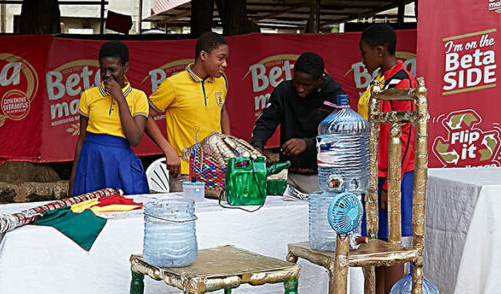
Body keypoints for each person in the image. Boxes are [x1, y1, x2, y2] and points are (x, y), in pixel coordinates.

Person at [357, 23, 415, 294]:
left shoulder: (402, 83)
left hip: (394, 176)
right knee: (376, 243)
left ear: (380, 51)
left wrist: (391, 183)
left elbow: (404, 138)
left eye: (364, 54)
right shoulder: (382, 80)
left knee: (392, 245)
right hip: (376, 173)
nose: (362, 60)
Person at [249, 51, 346, 194]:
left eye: (307, 85)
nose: (300, 89)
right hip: (288, 175)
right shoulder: (284, 91)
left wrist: (307, 144)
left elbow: (340, 139)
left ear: (320, 80)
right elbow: (265, 122)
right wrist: (256, 146)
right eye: (297, 82)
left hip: (322, 177)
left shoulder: (335, 97)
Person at [146, 31, 231, 192]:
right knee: (186, 216)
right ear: (203, 55)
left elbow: (222, 110)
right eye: (220, 58)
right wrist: (168, 150)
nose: (225, 64)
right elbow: (145, 115)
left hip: (217, 170)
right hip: (185, 172)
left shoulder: (221, 82)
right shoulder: (173, 84)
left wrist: (228, 147)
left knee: (218, 216)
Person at [69, 40, 150, 195]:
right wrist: (74, 180)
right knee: (89, 212)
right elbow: (82, 139)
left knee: (122, 213)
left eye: (113, 70)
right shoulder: (88, 95)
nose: (107, 75)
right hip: (92, 163)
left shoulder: (138, 97)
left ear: (125, 67)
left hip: (121, 165)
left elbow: (134, 139)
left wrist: (120, 99)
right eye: (103, 70)